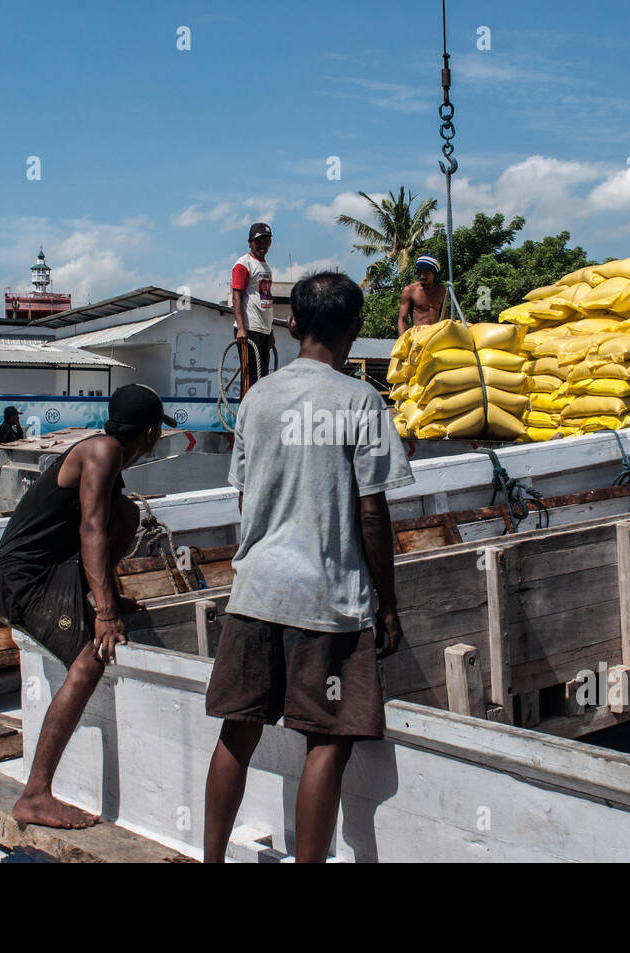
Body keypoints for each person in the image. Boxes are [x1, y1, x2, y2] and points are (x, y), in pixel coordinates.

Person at [202, 271, 414, 863]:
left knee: (236, 734)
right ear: (354, 330)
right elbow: (373, 516)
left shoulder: (257, 398)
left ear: (292, 324)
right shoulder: (360, 401)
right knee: (329, 737)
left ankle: (211, 860)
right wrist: (387, 604)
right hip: (328, 602)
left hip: (255, 594)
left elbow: (248, 501)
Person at [0, 384, 175, 829]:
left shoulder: (109, 455)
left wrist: (109, 595)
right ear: (149, 433)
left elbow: (108, 525)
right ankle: (35, 795)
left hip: (57, 572)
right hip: (24, 580)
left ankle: (97, 602)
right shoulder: (103, 451)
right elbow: (90, 530)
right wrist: (105, 614)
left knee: (127, 513)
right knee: (90, 661)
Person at [230, 223, 274, 393]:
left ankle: (258, 417)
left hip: (263, 329)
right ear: (250, 242)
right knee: (250, 379)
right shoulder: (244, 264)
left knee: (262, 379)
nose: (263, 245)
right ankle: (245, 417)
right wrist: (241, 328)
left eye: (267, 241)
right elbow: (236, 297)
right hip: (248, 329)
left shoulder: (265, 266)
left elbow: (266, 300)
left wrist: (270, 331)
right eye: (259, 241)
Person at [397, 255, 446, 337]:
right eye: (420, 273)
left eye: (426, 273)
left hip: (436, 335)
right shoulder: (410, 290)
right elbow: (402, 320)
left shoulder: (441, 290)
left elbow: (445, 316)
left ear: (434, 274)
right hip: (418, 335)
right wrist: (403, 340)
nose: (422, 276)